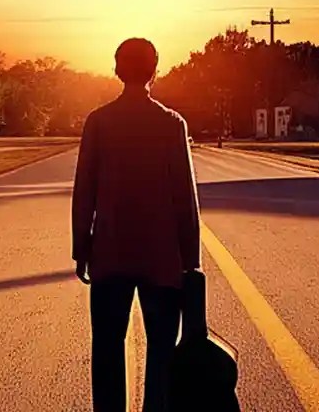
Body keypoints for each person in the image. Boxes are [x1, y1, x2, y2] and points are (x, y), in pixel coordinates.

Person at [73, 38, 201, 412]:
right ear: (154, 70)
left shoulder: (98, 123)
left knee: (108, 348)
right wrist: (190, 259)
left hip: (110, 255)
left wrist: (82, 248)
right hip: (162, 258)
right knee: (161, 352)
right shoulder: (171, 124)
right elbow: (185, 197)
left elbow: (85, 191)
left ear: (117, 70)